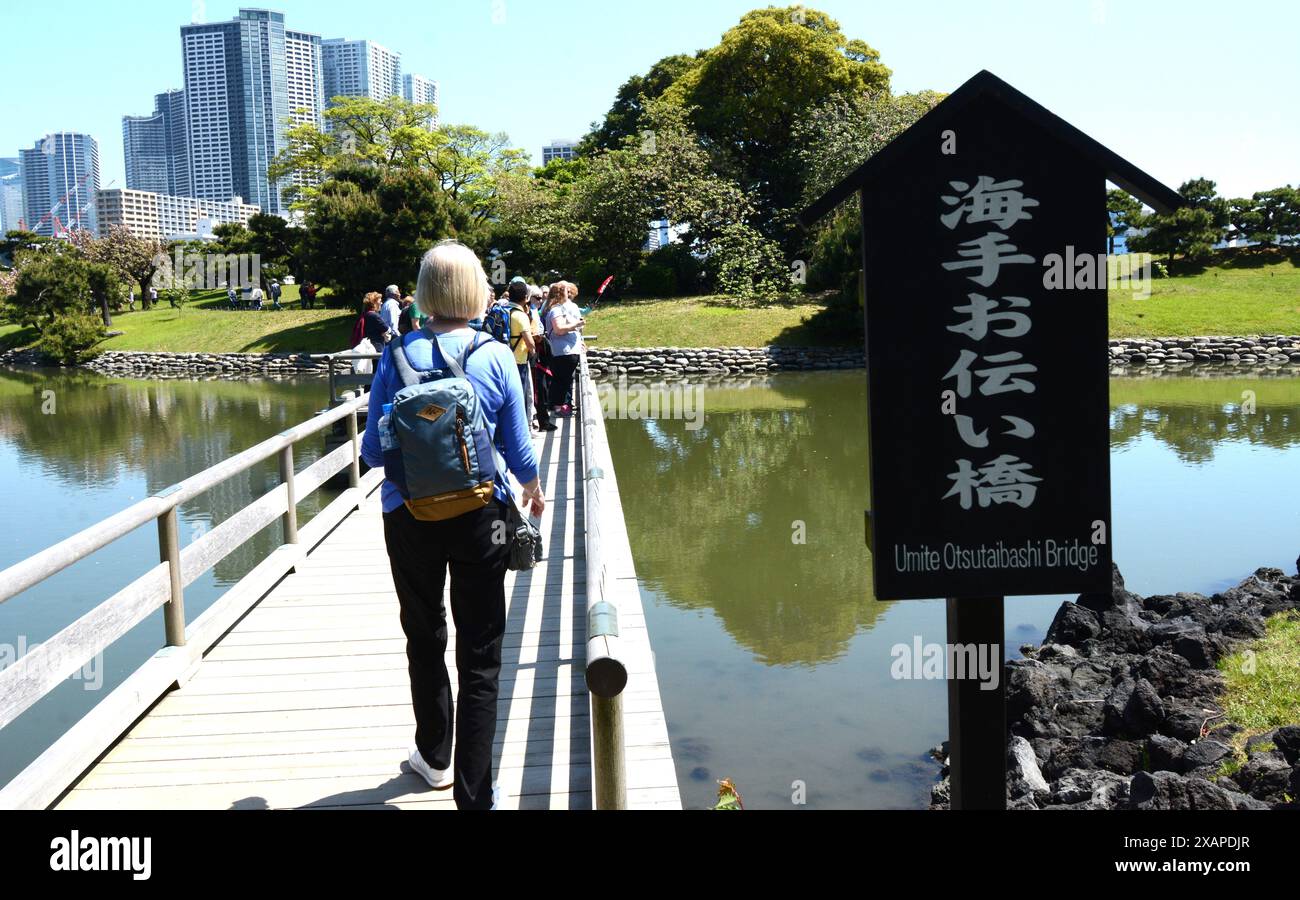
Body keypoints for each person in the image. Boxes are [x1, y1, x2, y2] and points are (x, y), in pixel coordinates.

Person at [361, 240, 545, 812]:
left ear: (422, 291)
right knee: (481, 652)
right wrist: (534, 493)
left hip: (409, 515)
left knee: (424, 636)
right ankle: (475, 795)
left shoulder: (396, 355)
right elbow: (520, 451)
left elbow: (371, 452)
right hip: (481, 517)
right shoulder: (493, 355)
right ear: (476, 289)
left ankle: (434, 758)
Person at [544, 281, 585, 417]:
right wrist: (576, 324)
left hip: (568, 350)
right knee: (561, 380)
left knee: (565, 379)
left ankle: (563, 406)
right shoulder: (556, 309)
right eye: (567, 291)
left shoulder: (561, 308)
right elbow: (559, 330)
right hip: (562, 351)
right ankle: (558, 408)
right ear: (561, 293)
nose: (569, 293)